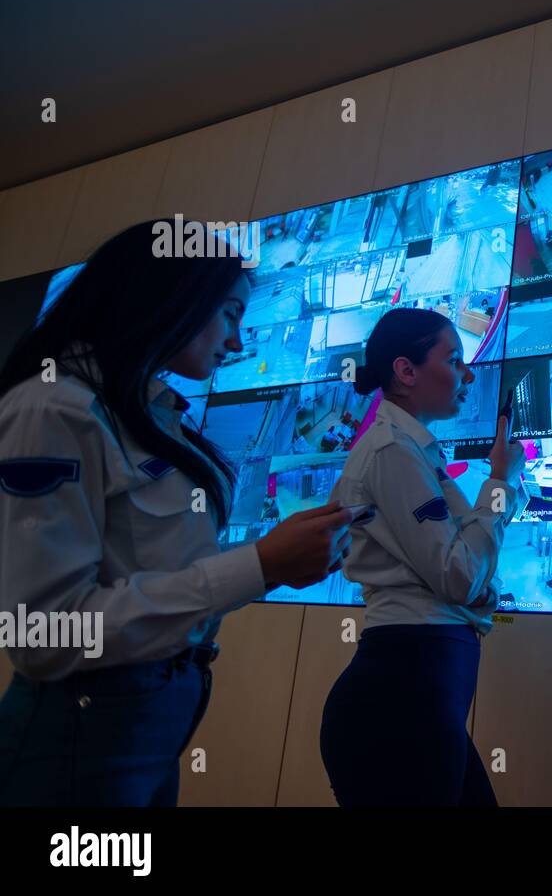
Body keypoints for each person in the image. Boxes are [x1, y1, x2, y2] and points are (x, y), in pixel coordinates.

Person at [0, 221, 355, 806]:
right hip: (79, 738)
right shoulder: (54, 408)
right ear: (172, 294)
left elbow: (154, 566)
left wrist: (274, 556)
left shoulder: (151, 411)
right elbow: (45, 633)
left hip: (150, 726)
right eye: (231, 315)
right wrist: (260, 566)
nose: (238, 343)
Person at [319, 308, 526, 807]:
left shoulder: (410, 450)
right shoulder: (391, 451)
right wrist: (501, 483)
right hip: (402, 696)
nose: (467, 373)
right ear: (406, 372)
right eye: (454, 359)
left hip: (419, 692)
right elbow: (459, 575)